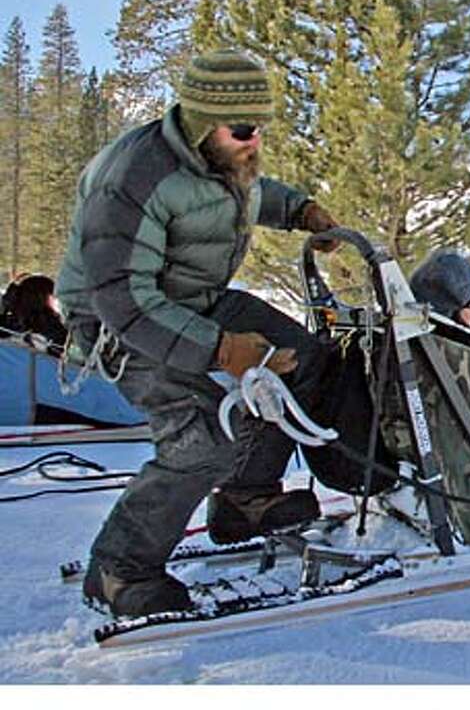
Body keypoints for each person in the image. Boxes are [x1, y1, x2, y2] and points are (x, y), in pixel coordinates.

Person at [55, 48, 341, 618]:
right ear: (204, 120)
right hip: (119, 322)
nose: (254, 141)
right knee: (202, 438)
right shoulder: (133, 178)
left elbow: (251, 192)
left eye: (259, 129)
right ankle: (119, 567)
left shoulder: (222, 156)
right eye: (242, 130)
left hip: (196, 301)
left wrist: (301, 211)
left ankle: (246, 498)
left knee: (306, 359)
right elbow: (123, 301)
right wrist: (222, 351)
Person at [1, 273, 67, 346]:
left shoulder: (7, 325)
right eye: (52, 295)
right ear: (43, 299)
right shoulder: (56, 330)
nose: (56, 299)